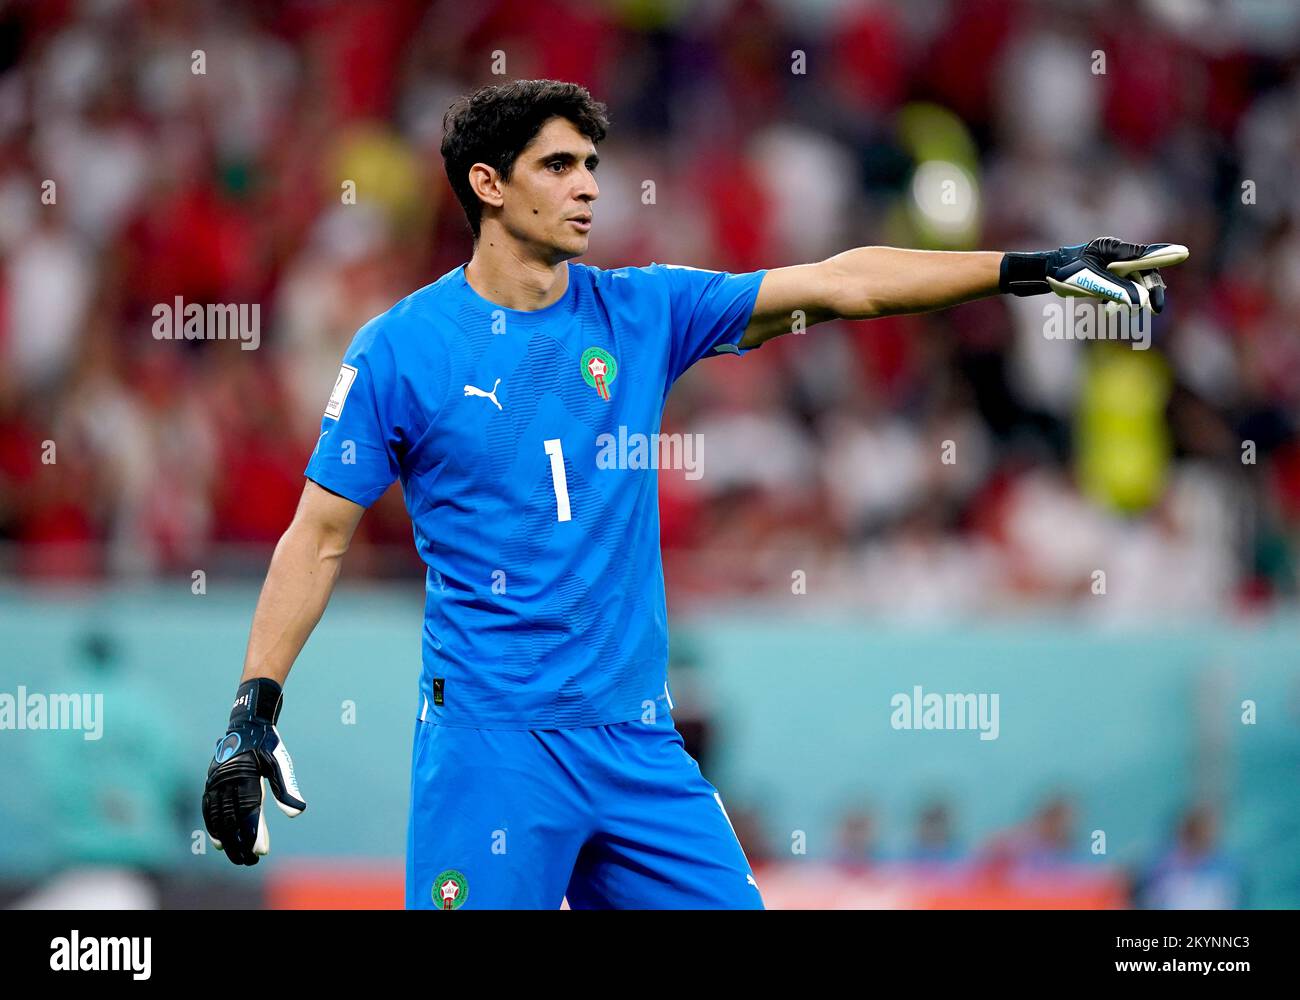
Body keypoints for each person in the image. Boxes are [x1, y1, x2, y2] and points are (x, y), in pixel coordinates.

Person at [201, 78, 1187, 910]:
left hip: (636, 745)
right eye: (559, 166)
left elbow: (843, 283)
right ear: (488, 186)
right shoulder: (399, 350)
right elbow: (318, 536)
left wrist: (1023, 269)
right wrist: (254, 710)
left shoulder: (642, 310)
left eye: (592, 164)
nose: (589, 186)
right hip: (491, 745)